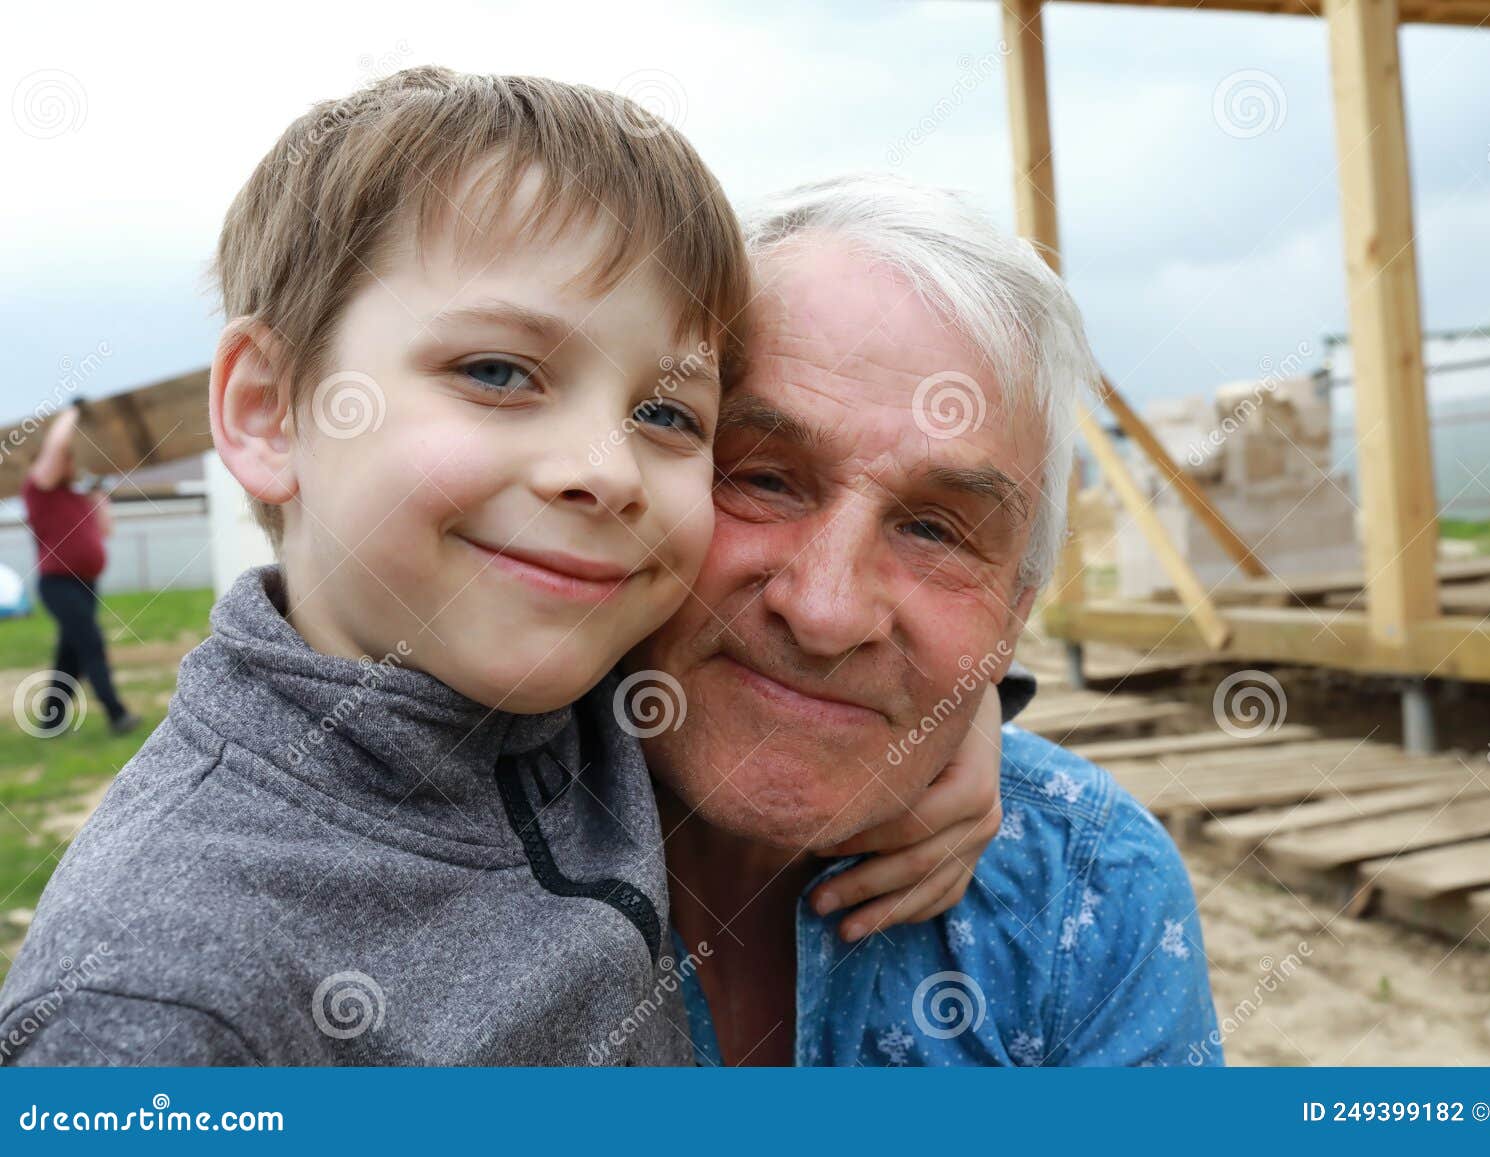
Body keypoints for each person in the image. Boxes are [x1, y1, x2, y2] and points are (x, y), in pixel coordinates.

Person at [0, 69, 1000, 1066]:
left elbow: (807, 663)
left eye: (664, 414)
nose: (606, 474)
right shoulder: (156, 989)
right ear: (268, 408)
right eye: (497, 372)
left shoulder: (581, 694)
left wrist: (971, 730)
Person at [634, 175, 1224, 1065]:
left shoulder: (1085, 891)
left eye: (933, 530)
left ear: (1017, 612)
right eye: (762, 476)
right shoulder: (436, 799)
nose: (826, 611)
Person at [20, 402, 141, 735]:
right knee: (91, 645)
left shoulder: (75, 497)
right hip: (58, 584)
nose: (70, 462)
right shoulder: (38, 490)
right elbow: (57, 447)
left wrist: (100, 493)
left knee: (70, 655)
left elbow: (106, 530)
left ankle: (51, 719)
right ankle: (117, 715)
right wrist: (72, 412)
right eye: (67, 459)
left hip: (85, 584)